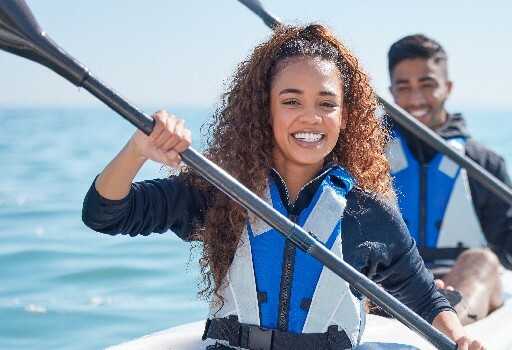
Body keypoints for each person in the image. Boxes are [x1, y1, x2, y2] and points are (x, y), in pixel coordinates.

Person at [82, 25, 484, 350]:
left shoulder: (367, 212)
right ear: (265, 110)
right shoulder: (221, 193)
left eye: (326, 104)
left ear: (346, 117)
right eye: (291, 101)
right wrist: (137, 150)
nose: (310, 118)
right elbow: (105, 213)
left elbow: (424, 296)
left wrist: (459, 336)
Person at [385, 34, 512, 325]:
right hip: (389, 285)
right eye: (405, 88)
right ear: (391, 92)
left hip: (459, 289)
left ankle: (444, 328)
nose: (416, 99)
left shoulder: (482, 162)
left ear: (448, 88)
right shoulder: (366, 154)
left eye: (427, 86)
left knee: (483, 261)